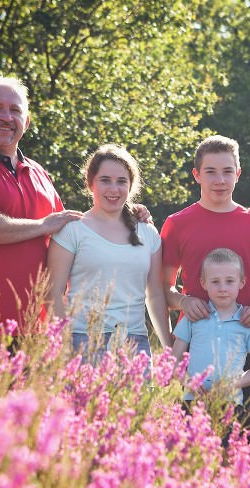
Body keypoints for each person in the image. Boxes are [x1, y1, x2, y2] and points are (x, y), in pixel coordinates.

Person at [0, 75, 148, 331]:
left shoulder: (38, 173)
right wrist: (41, 225)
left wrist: (125, 214)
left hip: (38, 330)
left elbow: (72, 233)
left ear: (26, 121)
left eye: (15, 110)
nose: (6, 117)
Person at [161, 134, 250, 428]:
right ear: (197, 175)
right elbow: (163, 289)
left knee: (242, 439)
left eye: (227, 171)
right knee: (191, 440)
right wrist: (184, 301)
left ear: (238, 173)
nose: (219, 180)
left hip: (244, 345)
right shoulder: (177, 223)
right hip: (196, 345)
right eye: (210, 171)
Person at [47, 144, 172, 366]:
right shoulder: (72, 230)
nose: (113, 189)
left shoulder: (148, 233)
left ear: (131, 186)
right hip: (83, 342)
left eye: (121, 181)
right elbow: (53, 293)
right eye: (105, 180)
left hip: (135, 346)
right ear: (90, 183)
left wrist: (169, 348)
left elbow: (154, 296)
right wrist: (63, 344)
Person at [172, 248, 250, 415]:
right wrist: (189, 381)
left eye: (230, 281)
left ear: (242, 283)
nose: (222, 288)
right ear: (203, 283)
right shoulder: (193, 317)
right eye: (215, 282)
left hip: (230, 401)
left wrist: (233, 383)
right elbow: (173, 361)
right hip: (193, 400)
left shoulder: (249, 321)